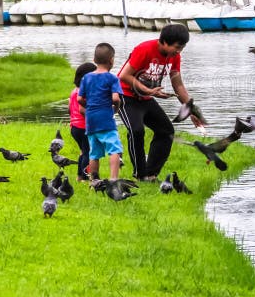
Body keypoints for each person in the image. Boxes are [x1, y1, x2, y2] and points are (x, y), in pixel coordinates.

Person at [117, 23, 204, 182]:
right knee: (136, 131)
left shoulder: (174, 56)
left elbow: (178, 84)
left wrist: (191, 110)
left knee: (166, 131)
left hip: (146, 98)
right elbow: (124, 76)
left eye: (182, 48)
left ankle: (151, 174)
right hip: (125, 95)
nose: (178, 51)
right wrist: (148, 90)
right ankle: (140, 174)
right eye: (177, 47)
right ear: (164, 41)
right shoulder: (144, 49)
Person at [78, 43, 123, 181]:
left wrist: (90, 105)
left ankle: (94, 181)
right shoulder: (112, 78)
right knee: (114, 149)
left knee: (94, 153)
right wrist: (116, 108)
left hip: (90, 119)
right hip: (105, 119)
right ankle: (114, 179)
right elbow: (115, 98)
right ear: (111, 60)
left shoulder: (86, 78)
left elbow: (80, 99)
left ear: (94, 59)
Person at [70, 62, 96, 182]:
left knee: (83, 151)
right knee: (88, 153)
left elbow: (69, 109)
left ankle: (80, 176)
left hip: (74, 127)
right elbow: (82, 110)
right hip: (83, 127)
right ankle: (85, 177)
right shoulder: (84, 92)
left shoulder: (74, 91)